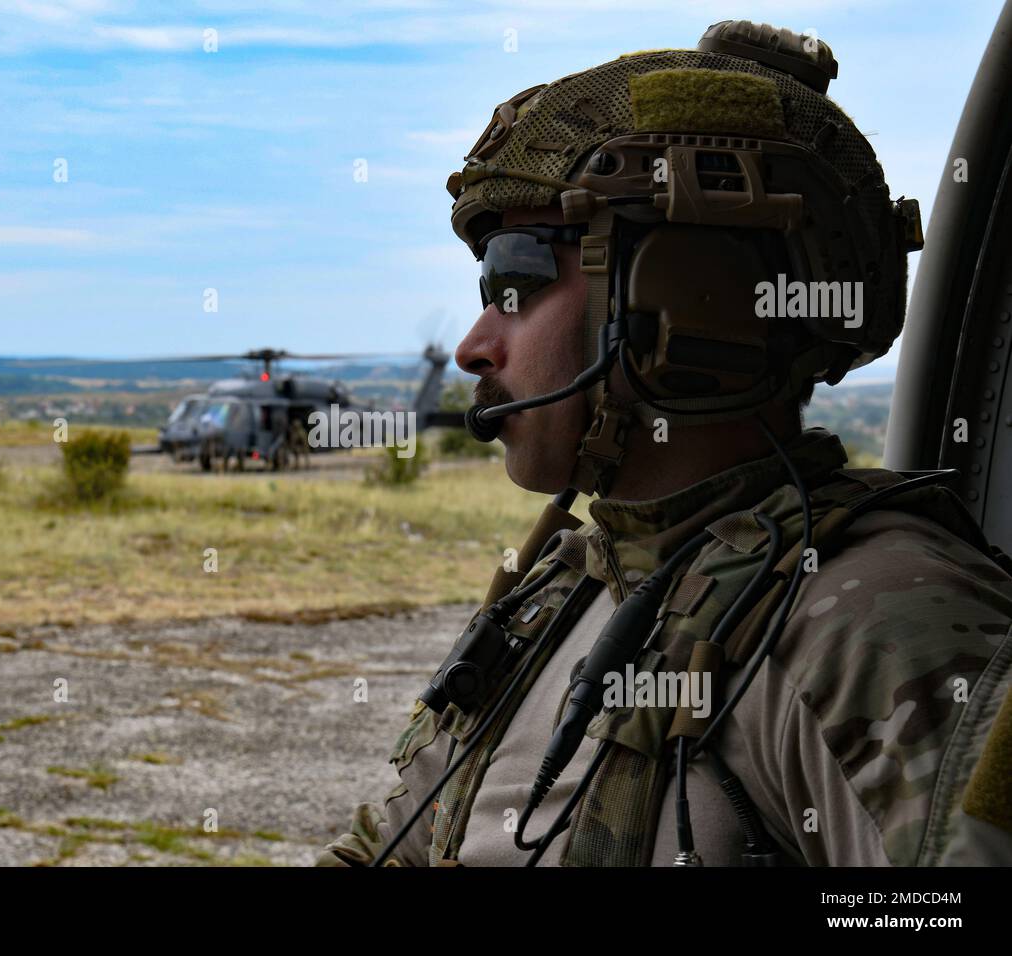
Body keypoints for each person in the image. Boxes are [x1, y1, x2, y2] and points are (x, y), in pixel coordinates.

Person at [317, 19, 1012, 867]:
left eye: (516, 282)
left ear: (685, 292)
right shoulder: (576, 579)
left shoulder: (874, 623)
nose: (473, 345)